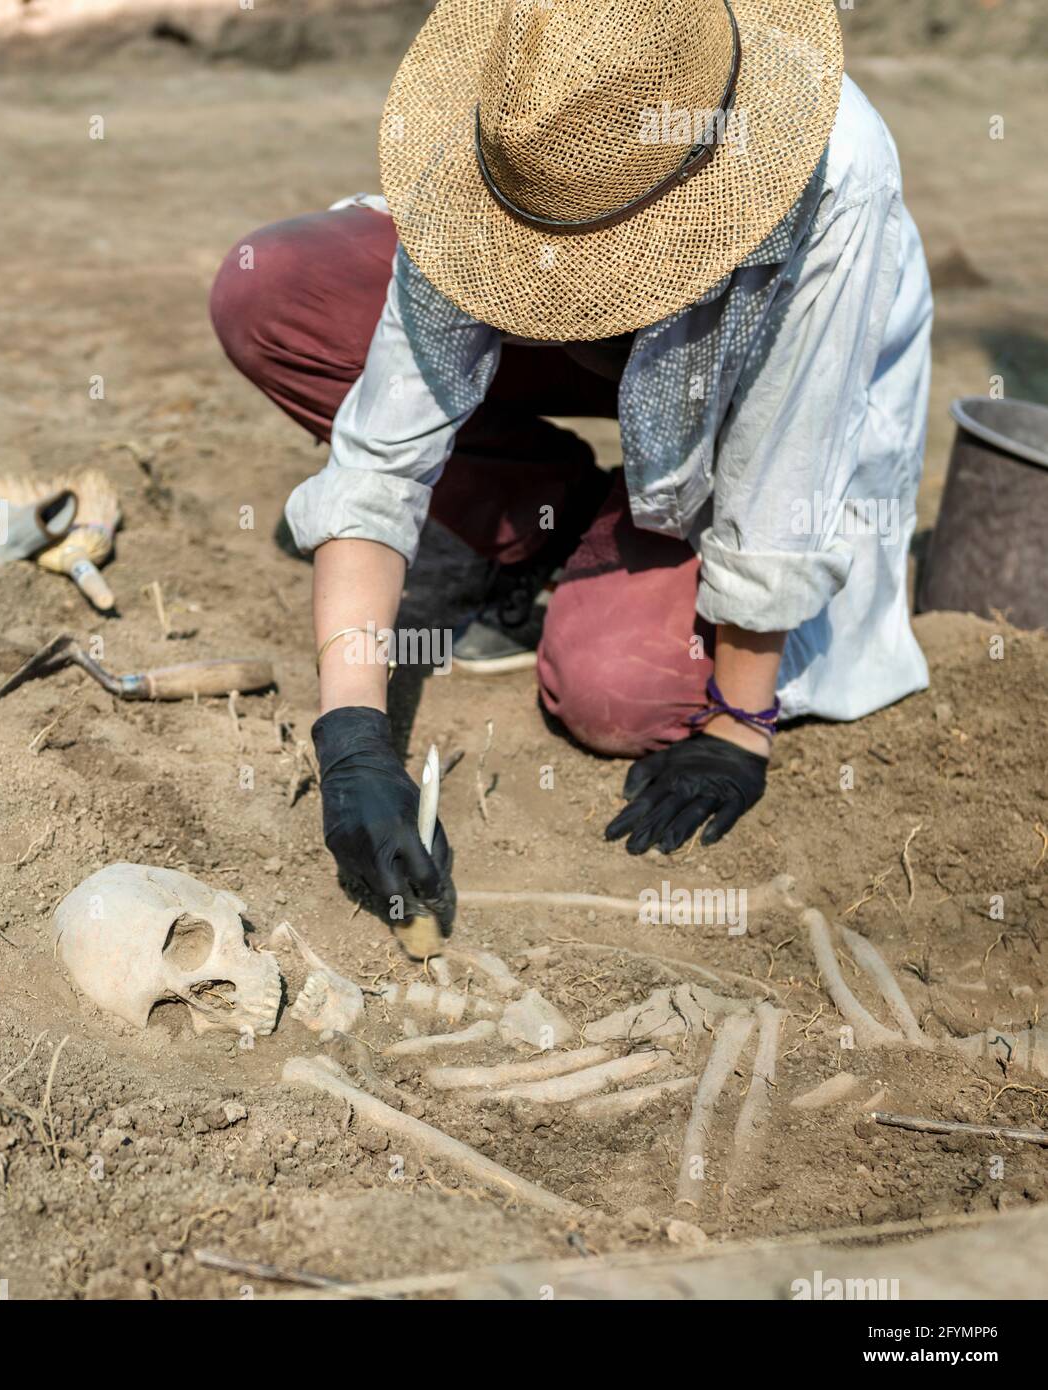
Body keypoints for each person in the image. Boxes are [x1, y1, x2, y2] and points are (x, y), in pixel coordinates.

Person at [210, 0, 932, 930]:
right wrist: (352, 736)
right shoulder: (498, 136)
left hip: (751, 393)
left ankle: (636, 538)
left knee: (614, 690)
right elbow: (383, 454)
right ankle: (557, 507)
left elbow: (790, 459)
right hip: (594, 349)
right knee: (276, 289)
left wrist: (737, 727)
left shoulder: (833, 173)